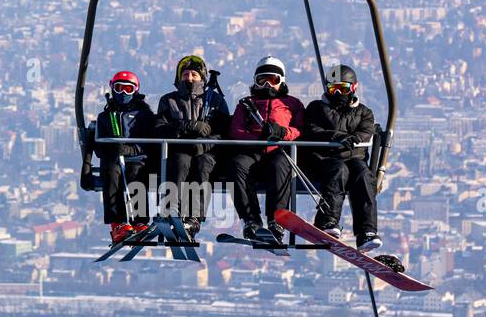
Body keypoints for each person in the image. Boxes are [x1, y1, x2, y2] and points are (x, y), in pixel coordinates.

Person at [302, 64, 382, 251]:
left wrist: (355, 139)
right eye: (333, 89)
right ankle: (327, 220)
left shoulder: (364, 112)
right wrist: (338, 137)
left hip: (354, 158)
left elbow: (367, 131)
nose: (338, 93)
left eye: (343, 89)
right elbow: (311, 130)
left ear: (353, 88)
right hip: (323, 158)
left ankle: (366, 231)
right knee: (338, 170)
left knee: (363, 175)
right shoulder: (316, 108)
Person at [226, 56, 306, 244]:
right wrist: (257, 140)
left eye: (273, 80)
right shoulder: (246, 104)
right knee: (238, 165)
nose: (267, 85)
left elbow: (300, 130)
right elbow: (236, 131)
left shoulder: (292, 104)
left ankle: (275, 220)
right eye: (262, 80)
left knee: (280, 165)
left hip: (279, 149)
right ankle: (251, 219)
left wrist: (281, 133)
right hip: (252, 150)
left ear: (282, 81)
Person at [152, 54, 231, 235]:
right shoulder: (169, 100)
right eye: (185, 74)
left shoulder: (215, 101)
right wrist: (187, 126)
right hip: (178, 149)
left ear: (201, 78)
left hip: (207, 152)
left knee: (202, 165)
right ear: (179, 77)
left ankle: (193, 217)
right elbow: (160, 128)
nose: (189, 78)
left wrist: (204, 144)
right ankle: (172, 210)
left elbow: (223, 132)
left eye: (194, 75)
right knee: (180, 162)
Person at [82, 71, 157, 244]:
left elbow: (150, 141)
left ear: (135, 91)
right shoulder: (105, 117)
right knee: (110, 174)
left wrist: (131, 149)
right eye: (119, 88)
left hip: (138, 158)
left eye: (128, 89)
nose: (123, 93)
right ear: (112, 88)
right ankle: (118, 223)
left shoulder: (144, 115)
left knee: (136, 177)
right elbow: (99, 148)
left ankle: (140, 221)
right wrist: (111, 149)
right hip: (114, 159)